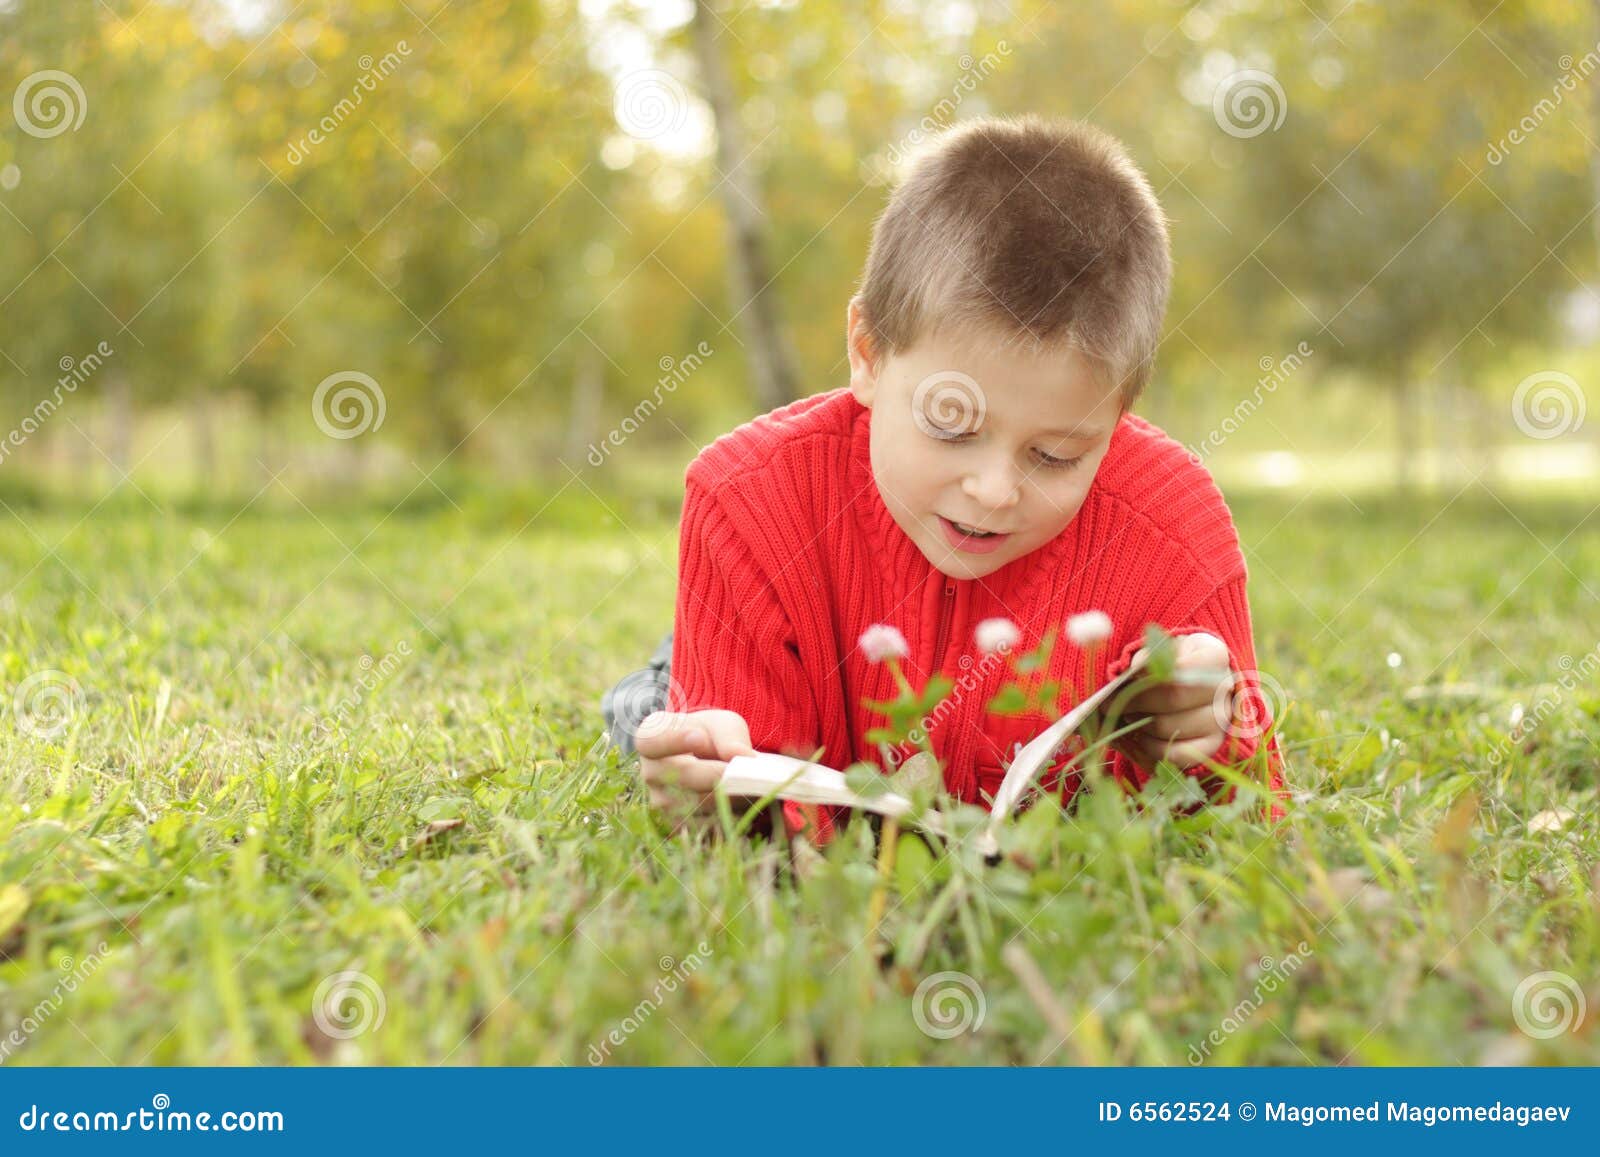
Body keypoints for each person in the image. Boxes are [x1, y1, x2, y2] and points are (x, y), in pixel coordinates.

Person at [603, 114, 1285, 843]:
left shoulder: (1174, 524)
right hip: (773, 644)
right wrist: (713, 778)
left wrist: (1210, 731)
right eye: (952, 426)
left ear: (1119, 415)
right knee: (648, 714)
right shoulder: (745, 497)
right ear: (868, 353)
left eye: (1055, 455)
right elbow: (750, 817)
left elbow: (1249, 812)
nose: (995, 490)